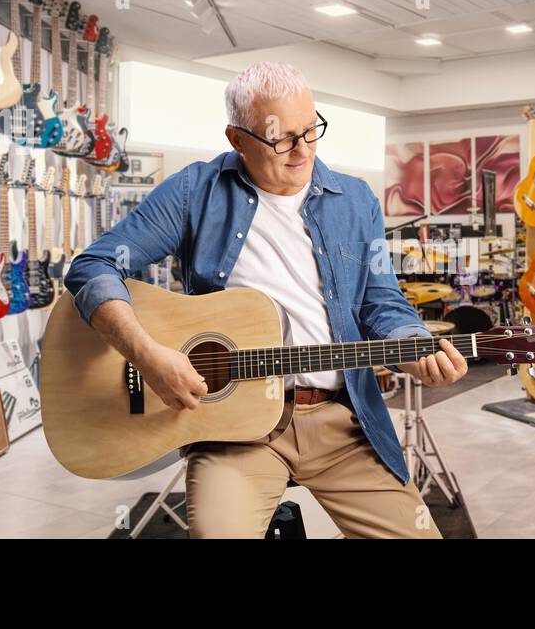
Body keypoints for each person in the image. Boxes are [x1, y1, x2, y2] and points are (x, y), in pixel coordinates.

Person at [64, 62, 466, 538]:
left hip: (342, 421)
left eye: (310, 130)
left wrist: (412, 344)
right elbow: (93, 267)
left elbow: (382, 303)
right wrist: (147, 354)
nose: (302, 151)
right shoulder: (196, 191)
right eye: (280, 138)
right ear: (236, 139)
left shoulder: (356, 200)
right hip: (233, 433)